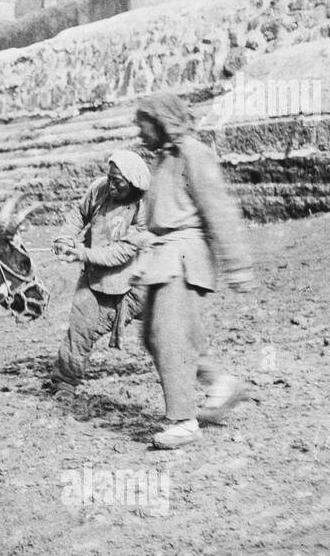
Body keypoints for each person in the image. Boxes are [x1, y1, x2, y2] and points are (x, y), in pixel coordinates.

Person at [132, 93, 254, 450]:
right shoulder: (161, 160)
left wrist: (239, 266)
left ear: (161, 121)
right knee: (153, 338)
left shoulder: (193, 154)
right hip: (163, 257)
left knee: (168, 335)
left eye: (143, 122)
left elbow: (219, 210)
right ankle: (220, 384)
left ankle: (183, 421)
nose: (138, 130)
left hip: (185, 256)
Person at [49, 150, 153, 391]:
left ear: (134, 185)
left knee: (161, 329)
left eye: (118, 183)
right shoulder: (99, 189)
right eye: (110, 179)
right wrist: (65, 238)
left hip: (133, 282)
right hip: (95, 278)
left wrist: (81, 253)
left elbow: (120, 253)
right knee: (80, 327)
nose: (112, 187)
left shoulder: (142, 209)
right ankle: (65, 382)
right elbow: (79, 213)